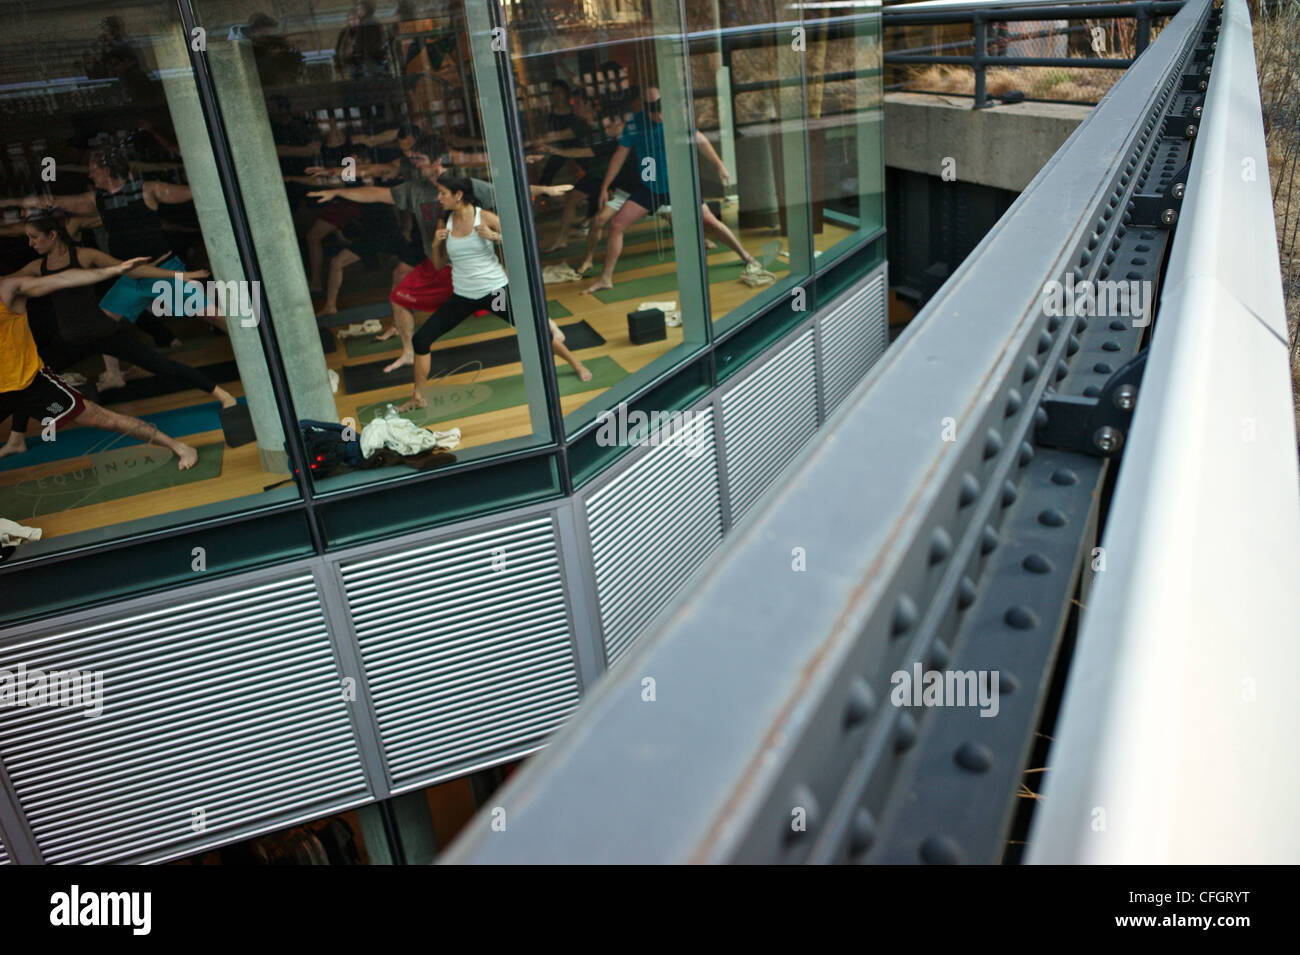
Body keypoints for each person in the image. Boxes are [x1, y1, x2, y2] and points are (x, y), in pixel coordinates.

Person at [308, 139, 571, 371]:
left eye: (420, 159)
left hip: (472, 266)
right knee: (398, 298)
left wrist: (544, 190)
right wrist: (338, 190)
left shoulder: (461, 185)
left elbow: (502, 190)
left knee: (514, 304)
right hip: (438, 264)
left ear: (436, 161)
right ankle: (410, 353)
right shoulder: (415, 188)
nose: (415, 164)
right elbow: (376, 193)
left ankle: (548, 328)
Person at [0, 213, 236, 461]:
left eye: (34, 237)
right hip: (71, 341)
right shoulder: (35, 268)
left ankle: (221, 393)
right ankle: (17, 440)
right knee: (23, 379)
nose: (30, 243)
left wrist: (177, 276)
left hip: (103, 331)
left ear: (52, 235)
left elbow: (131, 270)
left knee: (161, 365)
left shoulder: (83, 255)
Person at [0, 148, 225, 388]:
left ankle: (254, 347)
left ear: (106, 170)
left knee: (212, 315)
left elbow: (195, 192)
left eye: (93, 170)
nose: (90, 175)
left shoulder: (148, 190)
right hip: (131, 278)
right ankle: (114, 375)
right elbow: (49, 201)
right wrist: (9, 202)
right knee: (104, 321)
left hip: (164, 271)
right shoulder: (97, 199)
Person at [394, 172, 591, 414]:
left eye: (443, 193)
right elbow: (437, 265)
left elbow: (520, 242)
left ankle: (576, 364)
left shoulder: (484, 217)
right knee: (421, 340)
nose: (438, 197)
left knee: (536, 330)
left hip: (494, 292)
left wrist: (495, 237)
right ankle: (418, 396)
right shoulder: (444, 222)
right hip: (463, 296)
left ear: (458, 195)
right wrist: (435, 245)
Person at [0, 255, 198, 470]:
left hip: (33, 384)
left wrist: (113, 270)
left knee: (104, 420)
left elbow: (63, 279)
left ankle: (180, 447)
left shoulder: (8, 288)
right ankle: (15, 443)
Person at [583, 86, 768, 295]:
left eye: (661, 108)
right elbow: (620, 154)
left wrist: (720, 165)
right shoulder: (635, 123)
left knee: (709, 221)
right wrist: (605, 186)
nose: (659, 115)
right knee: (616, 224)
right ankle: (606, 278)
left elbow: (700, 140)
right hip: (650, 184)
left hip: (679, 184)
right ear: (645, 109)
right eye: (654, 110)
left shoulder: (677, 119)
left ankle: (746, 256)